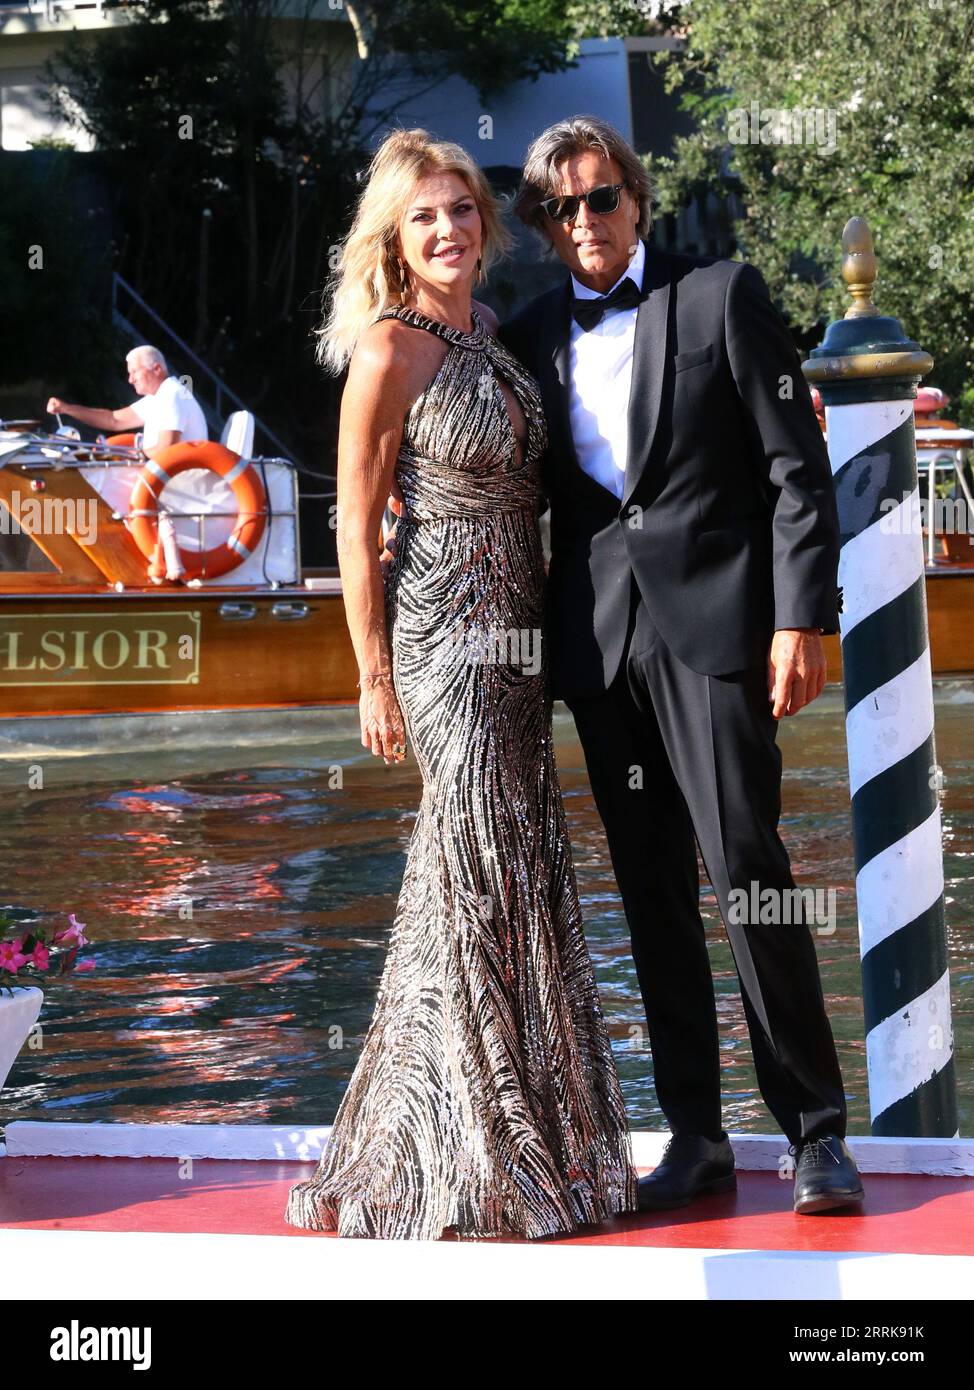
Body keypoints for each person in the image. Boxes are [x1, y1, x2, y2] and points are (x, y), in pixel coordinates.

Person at [498, 115, 864, 1216]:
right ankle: (696, 1137)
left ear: (635, 200)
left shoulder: (718, 295)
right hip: (602, 647)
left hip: (717, 634)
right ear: (542, 225)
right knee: (651, 896)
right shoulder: (524, 339)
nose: (584, 222)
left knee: (747, 868)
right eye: (559, 208)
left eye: (599, 198)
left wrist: (799, 622)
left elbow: (797, 476)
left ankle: (813, 1133)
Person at [284, 128, 638, 1241]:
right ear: (393, 235)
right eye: (424, 214)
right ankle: (478, 1162)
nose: (447, 228)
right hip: (443, 641)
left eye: (462, 210)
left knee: (509, 873)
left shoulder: (485, 332)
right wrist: (371, 672)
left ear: (486, 227)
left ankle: (516, 1143)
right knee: (475, 871)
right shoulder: (388, 351)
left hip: (520, 639)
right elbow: (352, 519)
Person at [46, 346, 208, 458]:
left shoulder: (173, 394)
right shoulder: (159, 396)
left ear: (157, 369)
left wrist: (128, 454)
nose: (130, 380)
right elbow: (113, 420)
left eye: (134, 372)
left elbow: (166, 450)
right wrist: (66, 408)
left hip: (181, 488)